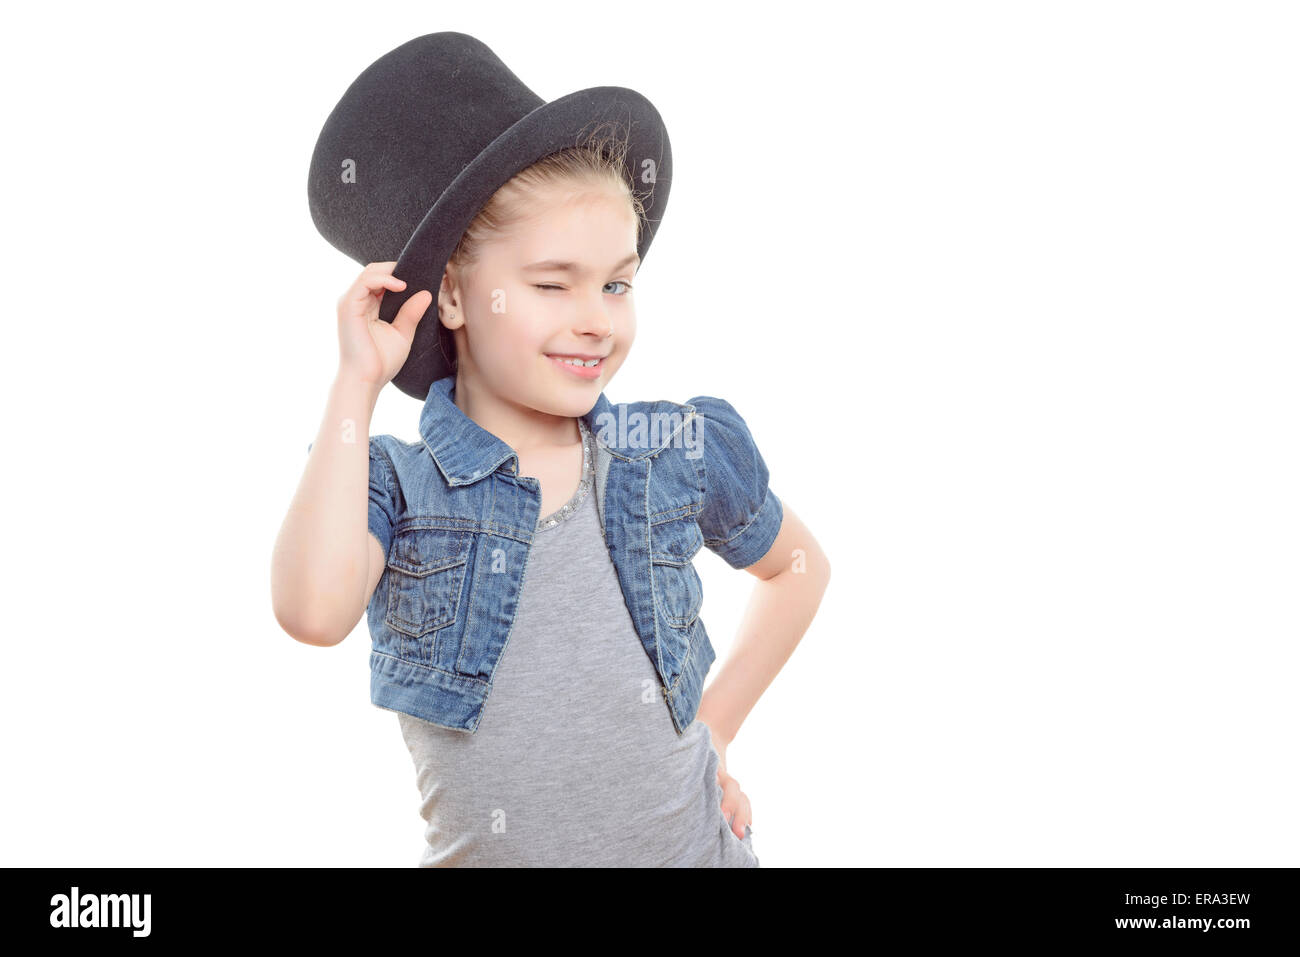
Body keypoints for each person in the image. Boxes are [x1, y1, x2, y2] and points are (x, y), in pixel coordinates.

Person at [272, 35, 831, 867]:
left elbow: (799, 568)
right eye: (552, 283)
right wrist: (354, 383)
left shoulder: (669, 450)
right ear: (455, 295)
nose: (597, 318)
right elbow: (312, 612)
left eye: (616, 283)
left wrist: (712, 733)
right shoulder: (397, 485)